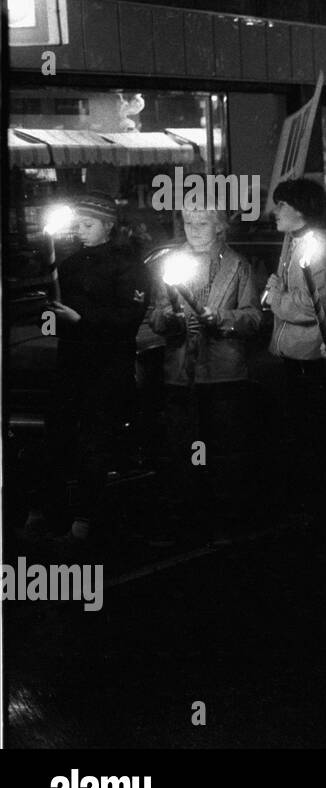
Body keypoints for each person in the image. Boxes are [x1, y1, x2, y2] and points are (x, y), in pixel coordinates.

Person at [31, 192, 149, 544]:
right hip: (71, 366)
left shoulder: (128, 265)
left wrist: (81, 319)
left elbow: (128, 318)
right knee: (56, 439)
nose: (81, 231)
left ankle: (85, 522)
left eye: (88, 224)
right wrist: (51, 315)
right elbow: (53, 312)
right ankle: (47, 514)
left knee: (93, 445)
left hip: (107, 368)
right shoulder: (68, 263)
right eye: (78, 224)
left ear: (108, 226)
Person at [149, 208, 261, 545]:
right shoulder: (171, 263)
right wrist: (168, 319)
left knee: (223, 451)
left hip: (222, 374)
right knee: (183, 449)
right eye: (187, 223)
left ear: (219, 227)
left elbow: (254, 317)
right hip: (181, 373)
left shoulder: (237, 264)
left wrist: (222, 318)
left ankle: (224, 521)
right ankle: (185, 518)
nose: (193, 230)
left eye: (202, 223)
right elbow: (156, 314)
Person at [265, 178, 326, 532]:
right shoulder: (293, 241)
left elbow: (312, 305)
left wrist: (274, 298)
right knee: (301, 431)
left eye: (282, 205)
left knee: (319, 433)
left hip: (313, 355)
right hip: (294, 352)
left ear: (301, 208)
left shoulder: (323, 250)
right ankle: (311, 503)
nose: (275, 212)